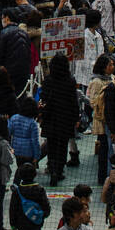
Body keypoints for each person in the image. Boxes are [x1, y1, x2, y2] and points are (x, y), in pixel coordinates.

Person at [39, 52, 80, 186]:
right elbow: (74, 101)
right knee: (62, 145)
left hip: (51, 117)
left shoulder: (48, 80)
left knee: (51, 144)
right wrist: (76, 117)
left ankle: (52, 168)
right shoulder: (70, 80)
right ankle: (59, 170)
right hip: (66, 117)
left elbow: (43, 98)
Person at [0, 9, 31, 95]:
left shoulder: (4, 33)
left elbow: (0, 54)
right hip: (24, 70)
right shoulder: (24, 33)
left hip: (9, 71)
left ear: (7, 18)